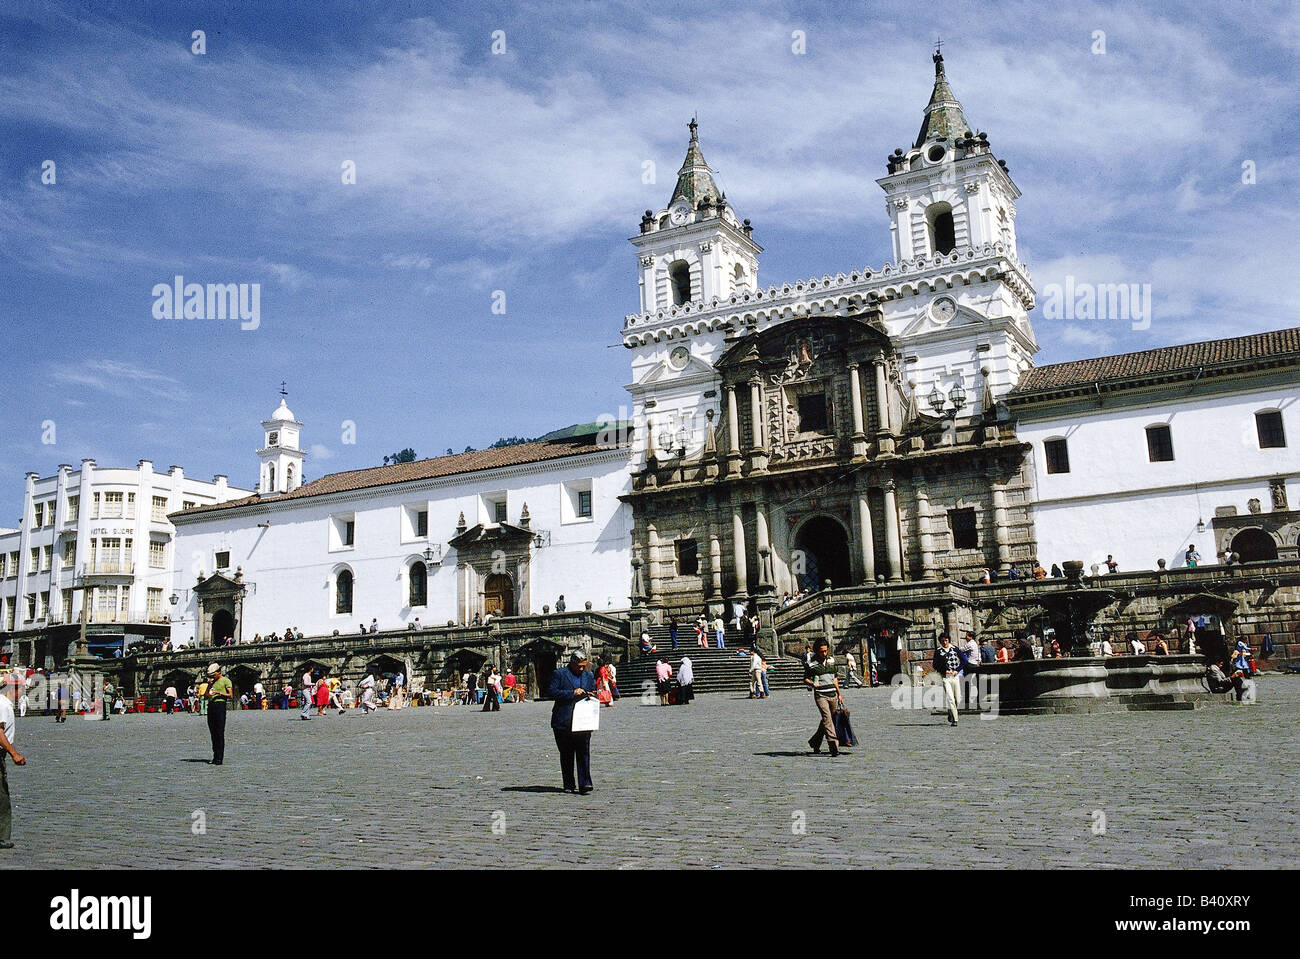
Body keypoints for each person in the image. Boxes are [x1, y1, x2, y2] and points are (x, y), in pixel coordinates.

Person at [547, 651, 597, 794]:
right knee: (567, 753)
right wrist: (571, 693)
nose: (581, 669)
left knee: (584, 752)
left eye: (584, 666)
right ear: (572, 663)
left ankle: (585, 783)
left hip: (584, 719)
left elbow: (594, 690)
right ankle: (569, 783)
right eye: (579, 666)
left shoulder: (589, 675)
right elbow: (552, 691)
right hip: (563, 720)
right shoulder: (560, 674)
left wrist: (592, 694)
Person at [0, 675, 28, 849]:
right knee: (2, 797)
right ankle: (2, 837)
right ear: (12, 689)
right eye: (21, 689)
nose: (22, 693)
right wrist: (13, 753)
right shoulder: (2, 705)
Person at [804, 639, 842, 755]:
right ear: (816, 651)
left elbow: (835, 678)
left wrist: (839, 694)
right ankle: (833, 745)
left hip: (832, 694)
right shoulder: (811, 664)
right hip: (821, 695)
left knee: (828, 720)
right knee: (827, 718)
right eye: (821, 652)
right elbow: (805, 678)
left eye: (826, 651)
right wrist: (812, 683)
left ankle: (815, 742)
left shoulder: (831, 661)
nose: (824, 654)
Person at [203, 663, 233, 765]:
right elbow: (206, 696)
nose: (212, 677)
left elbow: (230, 695)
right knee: (213, 733)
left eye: (213, 675)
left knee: (219, 732)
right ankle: (215, 756)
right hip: (211, 706)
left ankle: (219, 758)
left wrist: (219, 693)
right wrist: (209, 685)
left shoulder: (226, 681)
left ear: (218, 672)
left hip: (220, 705)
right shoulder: (211, 683)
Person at [933, 634, 962, 726]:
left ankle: (950, 712)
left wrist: (957, 670)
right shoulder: (938, 651)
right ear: (940, 642)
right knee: (950, 698)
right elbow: (935, 665)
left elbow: (964, 660)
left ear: (948, 640)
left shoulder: (955, 649)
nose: (945, 642)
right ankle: (955, 719)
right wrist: (944, 671)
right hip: (945, 677)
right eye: (942, 641)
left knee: (958, 699)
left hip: (955, 677)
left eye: (946, 640)